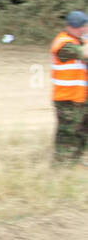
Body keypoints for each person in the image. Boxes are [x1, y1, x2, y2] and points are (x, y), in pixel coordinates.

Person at [50, 9, 88, 165]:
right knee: (66, 133)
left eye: (83, 26)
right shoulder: (63, 44)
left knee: (82, 131)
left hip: (80, 97)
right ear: (70, 27)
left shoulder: (80, 41)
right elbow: (83, 54)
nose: (83, 29)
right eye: (80, 27)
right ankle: (60, 164)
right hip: (66, 98)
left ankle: (76, 160)